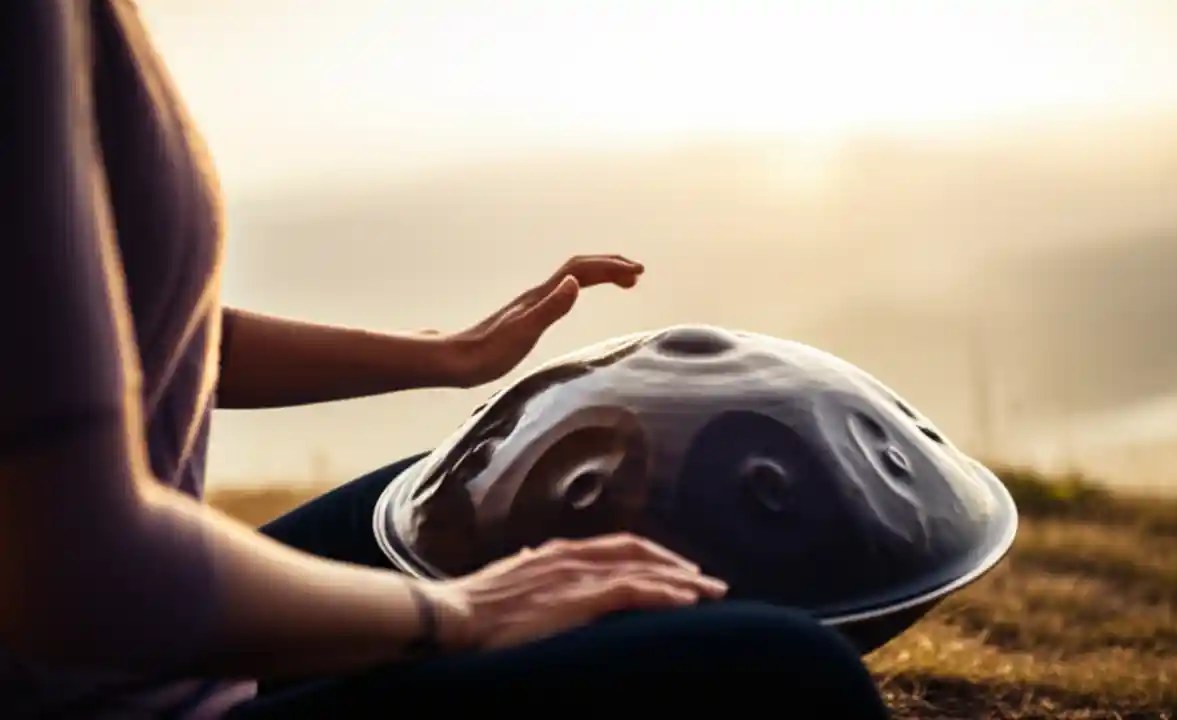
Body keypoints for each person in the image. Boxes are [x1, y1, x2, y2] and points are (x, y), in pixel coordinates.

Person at [0, 2, 892, 718]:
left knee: (485, 504)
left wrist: (450, 355)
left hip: (119, 650)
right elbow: (74, 569)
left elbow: (118, 336)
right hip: (97, 680)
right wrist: (465, 616)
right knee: (789, 675)